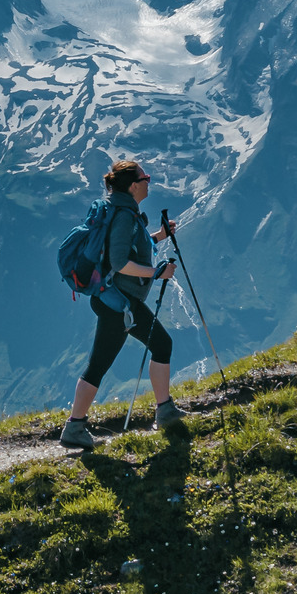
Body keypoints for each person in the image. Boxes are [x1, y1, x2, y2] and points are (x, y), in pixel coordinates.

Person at [61, 159, 186, 449]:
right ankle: (162, 412)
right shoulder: (125, 215)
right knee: (154, 347)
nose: (148, 182)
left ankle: (77, 426)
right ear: (133, 185)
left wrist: (159, 236)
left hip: (113, 301)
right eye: (145, 178)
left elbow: (129, 250)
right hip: (120, 303)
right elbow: (120, 262)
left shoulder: (121, 210)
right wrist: (156, 272)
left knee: (103, 362)